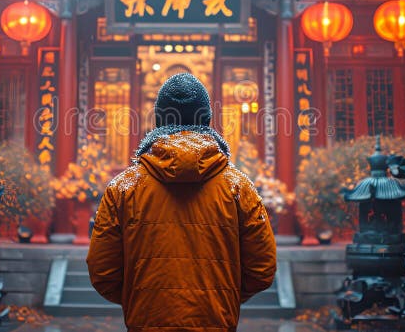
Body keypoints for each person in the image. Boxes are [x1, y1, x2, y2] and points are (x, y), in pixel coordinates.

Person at [87, 72, 277, 332]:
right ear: (208, 120)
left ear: (158, 121)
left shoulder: (123, 187)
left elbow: (102, 272)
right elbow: (262, 269)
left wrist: (142, 297)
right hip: (216, 322)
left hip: (146, 321)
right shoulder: (238, 187)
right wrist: (222, 295)